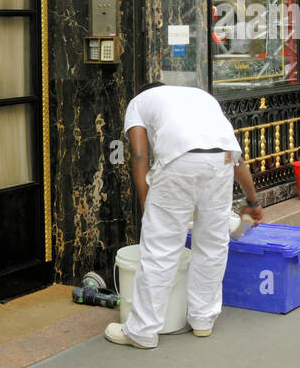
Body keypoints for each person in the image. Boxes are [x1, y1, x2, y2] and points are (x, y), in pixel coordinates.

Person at [105, 82, 264, 349]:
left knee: (161, 248)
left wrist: (148, 205)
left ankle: (142, 331)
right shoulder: (200, 98)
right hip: (221, 160)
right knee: (213, 243)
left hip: (180, 161)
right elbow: (236, 158)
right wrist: (253, 201)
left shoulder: (138, 102)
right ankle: (203, 320)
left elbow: (140, 155)